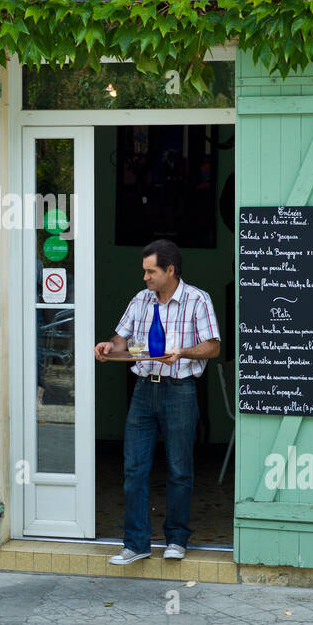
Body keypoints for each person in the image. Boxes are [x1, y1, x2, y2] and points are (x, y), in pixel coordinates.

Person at [94, 239, 220, 565]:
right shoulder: (141, 300)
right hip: (143, 391)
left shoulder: (197, 299)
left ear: (170, 270)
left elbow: (213, 347)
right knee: (134, 467)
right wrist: (109, 348)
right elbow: (121, 340)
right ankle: (136, 543)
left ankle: (176, 539)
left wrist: (183, 352)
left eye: (151, 272)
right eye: (144, 271)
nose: (145, 277)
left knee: (179, 469)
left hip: (180, 390)